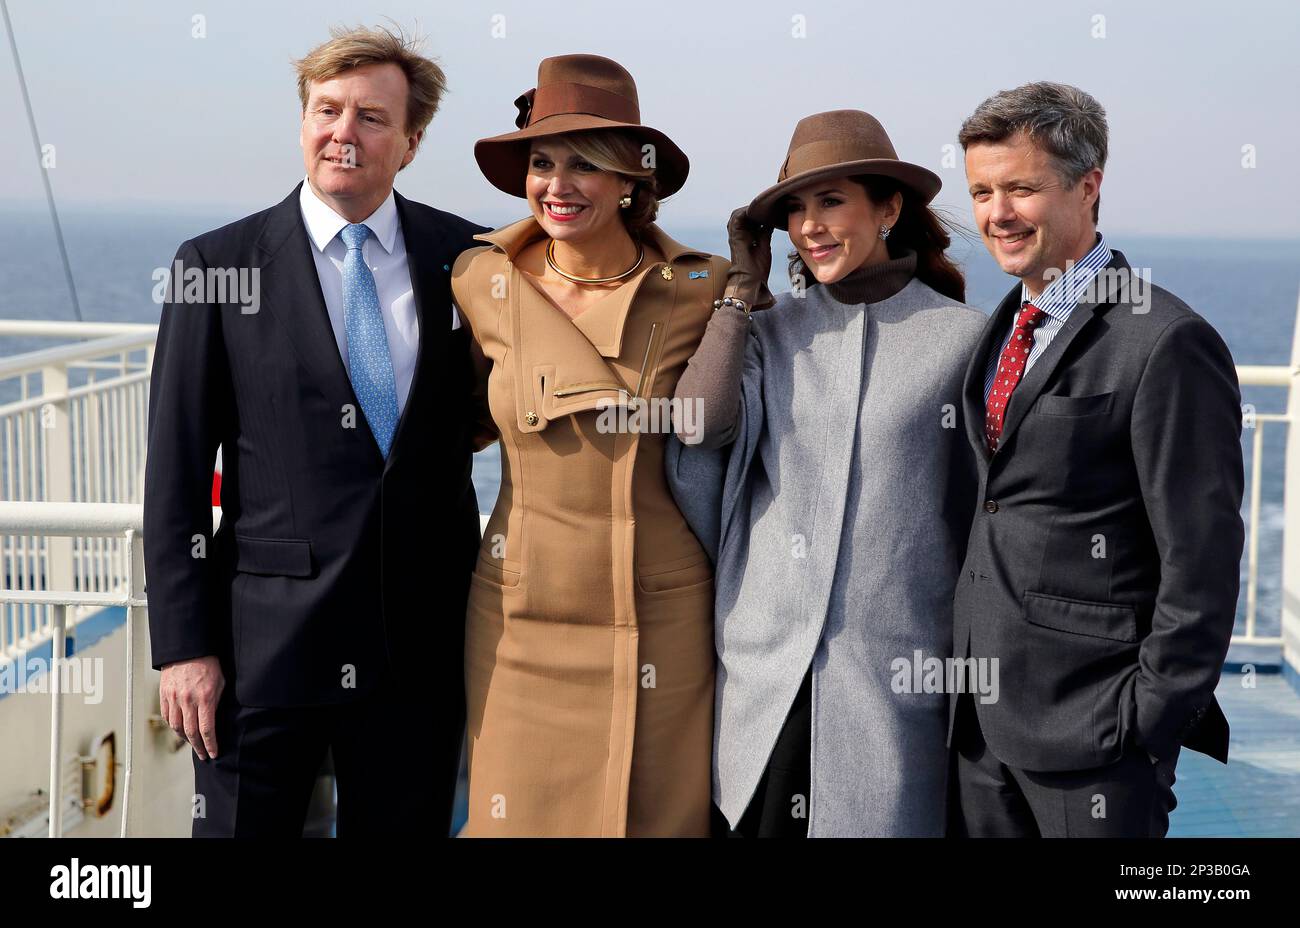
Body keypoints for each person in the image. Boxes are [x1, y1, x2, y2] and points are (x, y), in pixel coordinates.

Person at [143, 25, 487, 836]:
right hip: (259, 653)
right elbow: (176, 476)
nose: (344, 132)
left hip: (419, 651)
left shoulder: (470, 259)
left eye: (372, 117)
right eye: (326, 110)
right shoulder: (216, 267)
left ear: (410, 141)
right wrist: (183, 649)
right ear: (302, 123)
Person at [666, 110, 985, 836]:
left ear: (890, 208)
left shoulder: (964, 340)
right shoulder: (768, 333)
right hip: (764, 679)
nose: (810, 225)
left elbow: (985, 518)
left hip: (893, 682)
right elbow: (696, 426)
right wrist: (739, 292)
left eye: (832, 200)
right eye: (795, 211)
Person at [948, 81, 1245, 837]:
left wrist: (1147, 721)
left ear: (1089, 186)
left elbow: (1202, 558)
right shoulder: (1001, 327)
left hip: (1098, 738)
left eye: (1021, 188)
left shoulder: (1165, 340)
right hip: (981, 731)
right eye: (982, 191)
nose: (997, 214)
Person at [452, 54, 729, 836]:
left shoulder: (703, 288)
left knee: (654, 819)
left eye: (585, 164)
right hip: (521, 618)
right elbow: (456, 422)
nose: (556, 185)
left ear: (631, 181)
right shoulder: (484, 281)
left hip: (662, 617)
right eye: (542, 163)